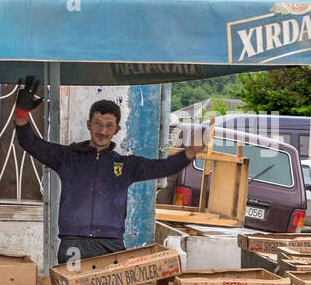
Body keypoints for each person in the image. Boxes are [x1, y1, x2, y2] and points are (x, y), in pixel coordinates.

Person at [12, 78, 203, 265]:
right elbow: (30, 142)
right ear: (89, 125)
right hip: (73, 244)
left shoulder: (127, 165)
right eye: (97, 123)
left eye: (109, 125)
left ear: (117, 129)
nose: (102, 130)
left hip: (111, 245)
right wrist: (21, 114)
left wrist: (191, 151)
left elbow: (164, 167)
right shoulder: (67, 157)